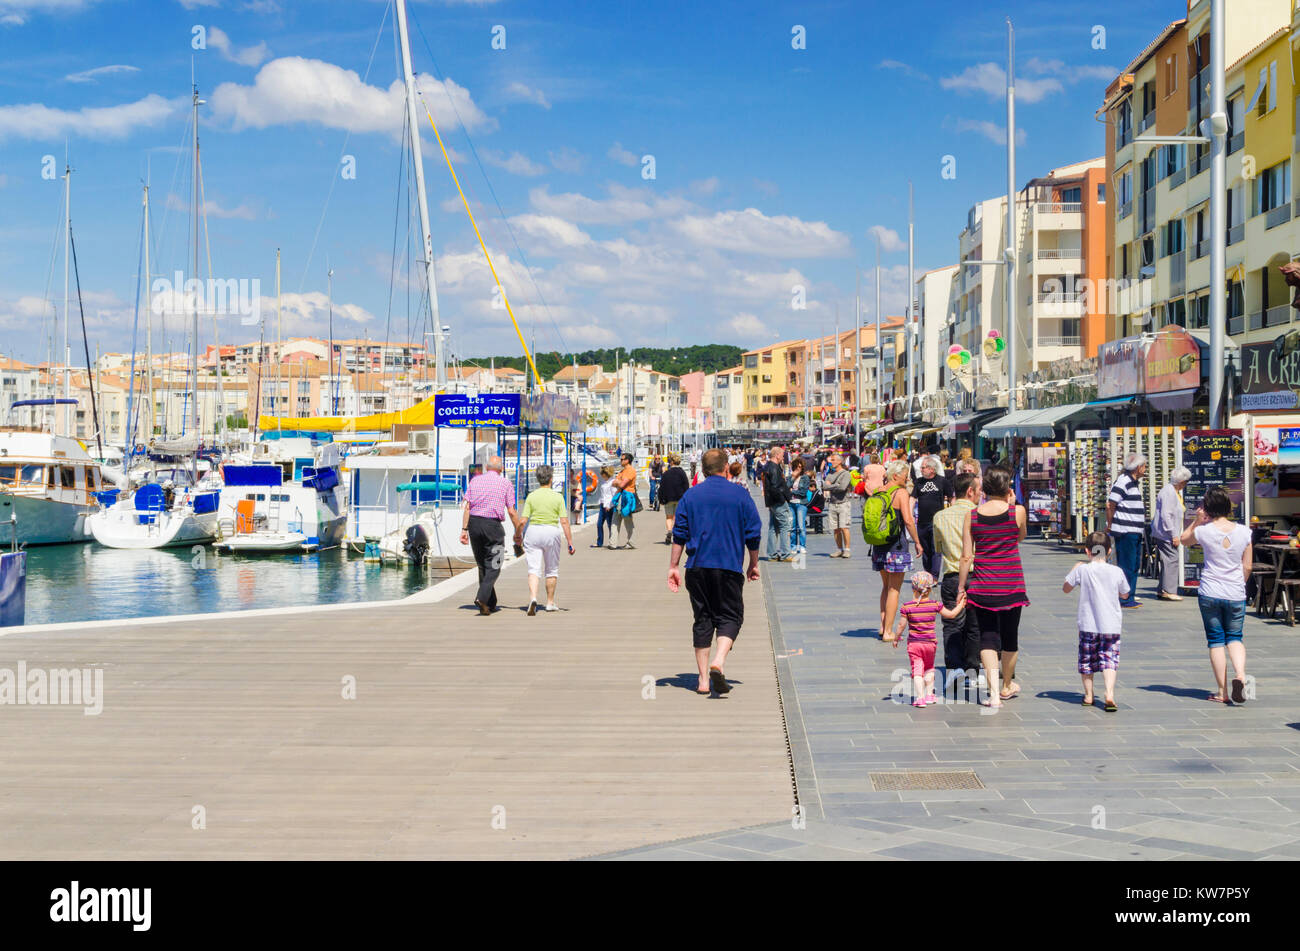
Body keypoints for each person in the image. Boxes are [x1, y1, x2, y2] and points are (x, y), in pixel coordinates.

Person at [668, 448, 762, 696]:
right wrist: (754, 563)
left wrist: (673, 566)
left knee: (703, 619)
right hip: (728, 567)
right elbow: (753, 532)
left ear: (703, 469)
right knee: (730, 617)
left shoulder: (691, 495)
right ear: (725, 468)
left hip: (697, 567)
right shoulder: (740, 495)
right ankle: (718, 661)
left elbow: (679, 534)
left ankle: (702, 681)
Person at [958, 465, 1029, 708]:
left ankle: (994, 695)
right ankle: (1007, 684)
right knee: (1010, 637)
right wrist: (1014, 503)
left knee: (987, 637)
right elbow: (1020, 537)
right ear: (1008, 487)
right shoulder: (1016, 512)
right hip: (1011, 584)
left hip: (983, 585)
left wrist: (960, 587)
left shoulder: (973, 515)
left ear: (985, 489)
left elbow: (967, 556)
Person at [1180, 486, 1251, 705]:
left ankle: (1222, 691)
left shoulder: (1204, 531)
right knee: (1235, 637)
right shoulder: (1244, 532)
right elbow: (1247, 565)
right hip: (1235, 592)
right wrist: (1239, 584)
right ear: (1228, 507)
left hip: (1210, 590)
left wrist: (1196, 521)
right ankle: (1240, 674)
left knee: (1216, 641)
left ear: (1208, 507)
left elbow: (1182, 540)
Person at [1063, 531, 1129, 712]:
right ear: (1109, 551)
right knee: (1109, 660)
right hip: (1111, 625)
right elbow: (1125, 593)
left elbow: (1066, 588)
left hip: (1088, 625)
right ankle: (1109, 693)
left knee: (1086, 661)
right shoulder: (1116, 571)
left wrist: (1075, 568)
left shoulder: (1082, 570)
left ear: (1087, 551)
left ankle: (1089, 695)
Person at [933, 469, 982, 693]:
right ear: (970, 491)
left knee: (952, 625)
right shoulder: (981, 513)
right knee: (975, 626)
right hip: (979, 575)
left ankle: (954, 671)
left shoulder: (940, 516)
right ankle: (974, 669)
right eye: (979, 491)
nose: (981, 495)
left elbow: (938, 548)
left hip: (952, 575)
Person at [458, 455, 520, 616]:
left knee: (482, 565)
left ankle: (489, 603)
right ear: (501, 469)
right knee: (495, 564)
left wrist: (464, 530)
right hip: (493, 527)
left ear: (486, 468)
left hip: (474, 525)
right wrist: (519, 530)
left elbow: (467, 508)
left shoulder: (475, 481)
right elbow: (512, 511)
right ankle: (482, 597)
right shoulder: (505, 483)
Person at [893, 571, 965, 707]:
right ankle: (930, 695)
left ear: (913, 588)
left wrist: (896, 638)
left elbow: (901, 624)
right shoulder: (935, 604)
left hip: (914, 644)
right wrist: (961, 605)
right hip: (930, 643)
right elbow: (951, 615)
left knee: (917, 671)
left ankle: (920, 698)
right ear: (930, 589)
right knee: (929, 669)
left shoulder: (907, 606)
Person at [514, 464, 575, 615]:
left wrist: (517, 535)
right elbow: (564, 521)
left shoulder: (531, 496)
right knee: (551, 569)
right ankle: (550, 602)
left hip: (533, 531)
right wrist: (570, 542)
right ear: (551, 479)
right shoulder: (558, 497)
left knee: (533, 569)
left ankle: (533, 598)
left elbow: (522, 521)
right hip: (551, 532)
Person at [874, 460, 922, 642]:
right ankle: (888, 632)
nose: (907, 477)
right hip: (897, 546)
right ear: (896, 476)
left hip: (879, 544)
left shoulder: (879, 489)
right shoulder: (901, 493)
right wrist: (917, 541)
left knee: (886, 586)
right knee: (894, 589)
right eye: (905, 475)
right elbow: (908, 521)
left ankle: (882, 625)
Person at [1107, 453, 1147, 608]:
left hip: (1134, 531)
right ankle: (1124, 598)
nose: (1145, 469)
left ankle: (1129, 595)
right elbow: (1111, 505)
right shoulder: (1124, 481)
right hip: (1125, 531)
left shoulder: (1132, 482)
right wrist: (1110, 525)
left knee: (1134, 564)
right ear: (1138, 467)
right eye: (1144, 466)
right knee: (1127, 565)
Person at [1152, 466, 1191, 601]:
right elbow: (1166, 515)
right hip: (1166, 533)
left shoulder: (1171, 491)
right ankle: (1168, 590)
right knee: (1172, 559)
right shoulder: (1169, 492)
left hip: (1164, 533)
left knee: (1168, 560)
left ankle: (1163, 589)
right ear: (1181, 481)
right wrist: (1174, 534)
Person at [913, 454, 952, 578]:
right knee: (925, 549)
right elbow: (913, 498)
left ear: (932, 469)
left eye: (924, 467)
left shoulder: (942, 481)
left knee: (936, 550)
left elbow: (952, 497)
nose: (921, 469)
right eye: (921, 467)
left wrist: (952, 513)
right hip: (922, 521)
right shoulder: (919, 482)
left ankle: (934, 576)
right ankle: (928, 572)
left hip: (937, 521)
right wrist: (908, 513)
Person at [760, 446, 793, 562]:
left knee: (773, 527)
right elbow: (776, 486)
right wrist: (783, 499)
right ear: (777, 455)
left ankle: (772, 554)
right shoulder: (773, 468)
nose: (783, 457)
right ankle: (785, 554)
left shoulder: (768, 466)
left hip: (771, 501)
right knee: (785, 525)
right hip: (778, 502)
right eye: (782, 455)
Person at [657, 453, 689, 545]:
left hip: (668, 498)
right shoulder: (682, 472)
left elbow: (662, 487)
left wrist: (661, 499)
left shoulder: (666, 473)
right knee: (678, 517)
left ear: (670, 462)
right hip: (680, 498)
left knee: (669, 517)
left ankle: (669, 531)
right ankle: (677, 533)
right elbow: (686, 485)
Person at [610, 452, 638, 549]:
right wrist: (618, 482)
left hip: (626, 497)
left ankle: (631, 542)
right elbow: (613, 483)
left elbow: (621, 484)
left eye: (622, 459)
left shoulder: (630, 471)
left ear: (627, 460)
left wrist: (618, 482)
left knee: (627, 520)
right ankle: (612, 543)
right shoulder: (622, 471)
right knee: (615, 520)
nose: (620, 461)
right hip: (619, 497)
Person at [788, 457, 812, 554]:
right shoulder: (790, 477)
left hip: (801, 503)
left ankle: (802, 546)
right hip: (791, 504)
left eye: (801, 467)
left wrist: (792, 491)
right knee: (792, 527)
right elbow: (786, 488)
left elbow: (803, 492)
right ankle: (793, 546)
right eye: (797, 467)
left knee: (801, 526)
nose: (799, 469)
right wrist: (793, 477)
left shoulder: (805, 478)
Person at [593, 465, 615, 548]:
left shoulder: (612, 482)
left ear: (606, 474)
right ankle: (599, 542)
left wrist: (610, 505)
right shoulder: (603, 482)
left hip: (609, 506)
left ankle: (612, 542)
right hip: (602, 504)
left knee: (610, 525)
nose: (602, 475)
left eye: (603, 474)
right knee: (599, 524)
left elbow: (613, 495)